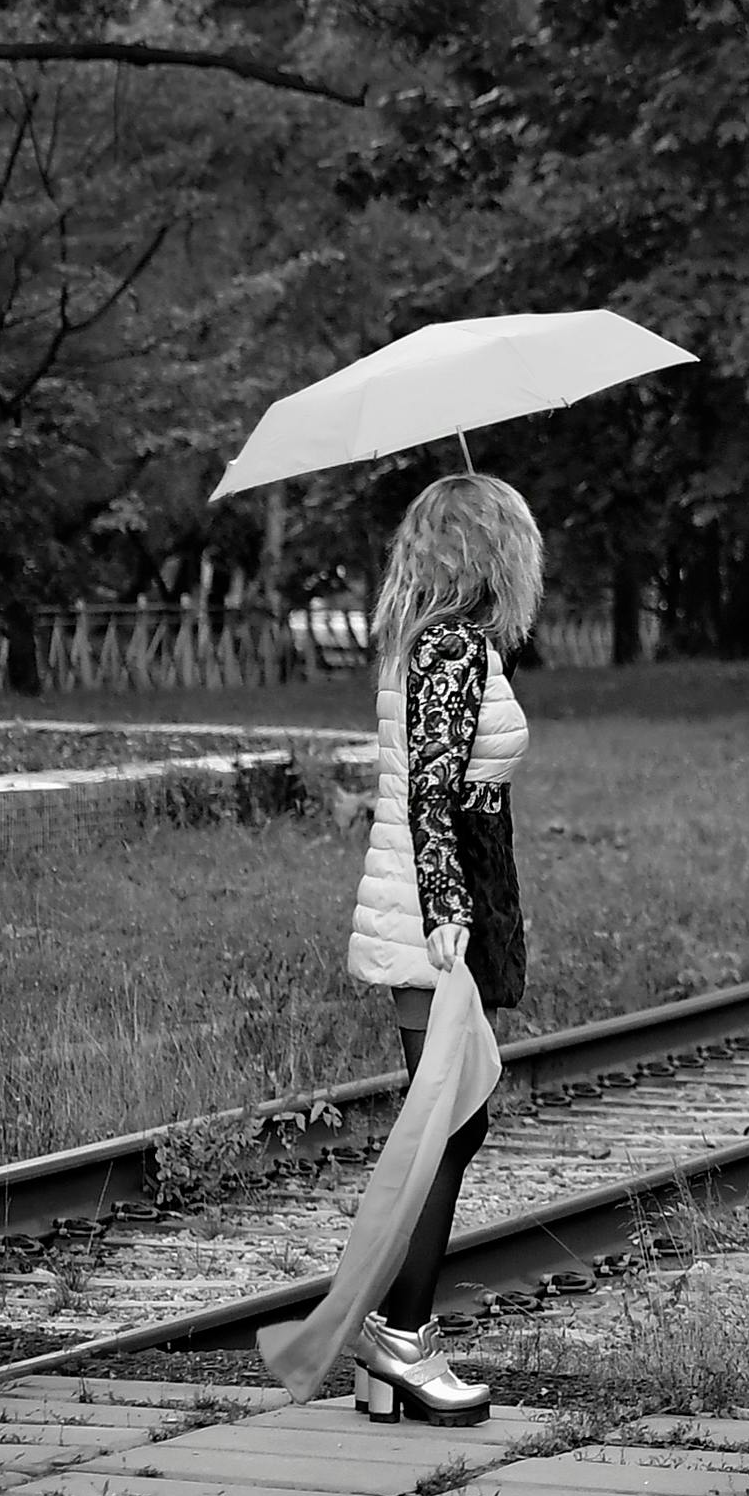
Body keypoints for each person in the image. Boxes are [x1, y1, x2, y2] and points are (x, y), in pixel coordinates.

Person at [331, 471, 543, 1423]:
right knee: (450, 1125)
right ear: (490, 548)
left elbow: (437, 779)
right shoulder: (452, 647)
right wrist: (451, 913)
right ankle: (399, 1337)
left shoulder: (431, 642)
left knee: (449, 1121)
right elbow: (432, 794)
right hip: (433, 919)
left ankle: (394, 1349)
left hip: (424, 910)